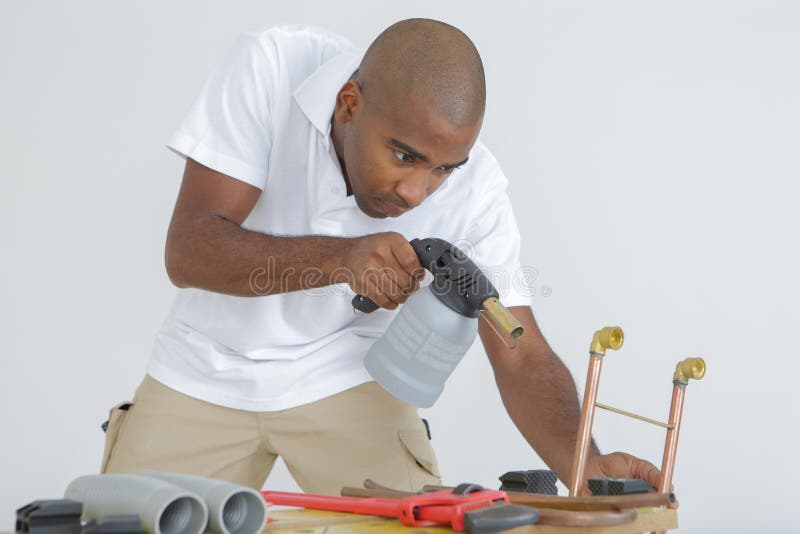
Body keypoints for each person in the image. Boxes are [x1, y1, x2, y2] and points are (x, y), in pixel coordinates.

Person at [101, 18, 661, 495]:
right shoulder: (272, 67)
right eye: (404, 155)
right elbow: (190, 248)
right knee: (117, 526)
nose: (417, 193)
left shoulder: (478, 191)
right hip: (203, 367)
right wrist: (340, 258)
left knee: (420, 525)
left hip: (346, 375)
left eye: (444, 169)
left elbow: (518, 347)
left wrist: (584, 466)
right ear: (349, 104)